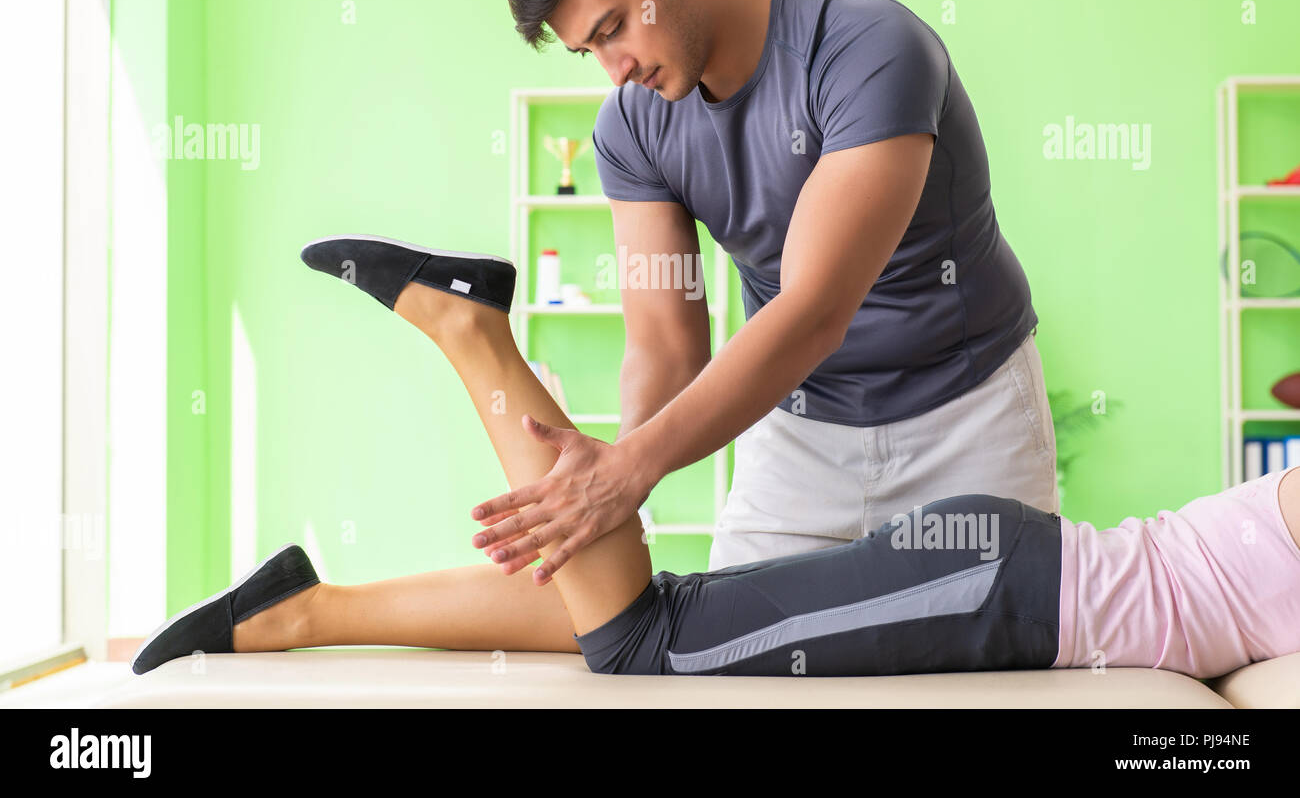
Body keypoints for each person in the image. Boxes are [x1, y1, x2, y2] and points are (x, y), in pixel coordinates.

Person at [131, 239, 1300, 680]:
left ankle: (305, 610)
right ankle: (468, 329)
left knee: (657, 611)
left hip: (1009, 576)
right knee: (647, 646)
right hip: (1010, 591)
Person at [484, 0, 1056, 585]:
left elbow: (815, 310)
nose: (615, 69)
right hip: (797, 436)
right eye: (589, 50)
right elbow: (664, 347)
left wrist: (629, 467)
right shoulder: (632, 127)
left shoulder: (870, 50)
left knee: (981, 680)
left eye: (615, 27)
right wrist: (617, 483)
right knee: (743, 666)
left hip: (970, 419)